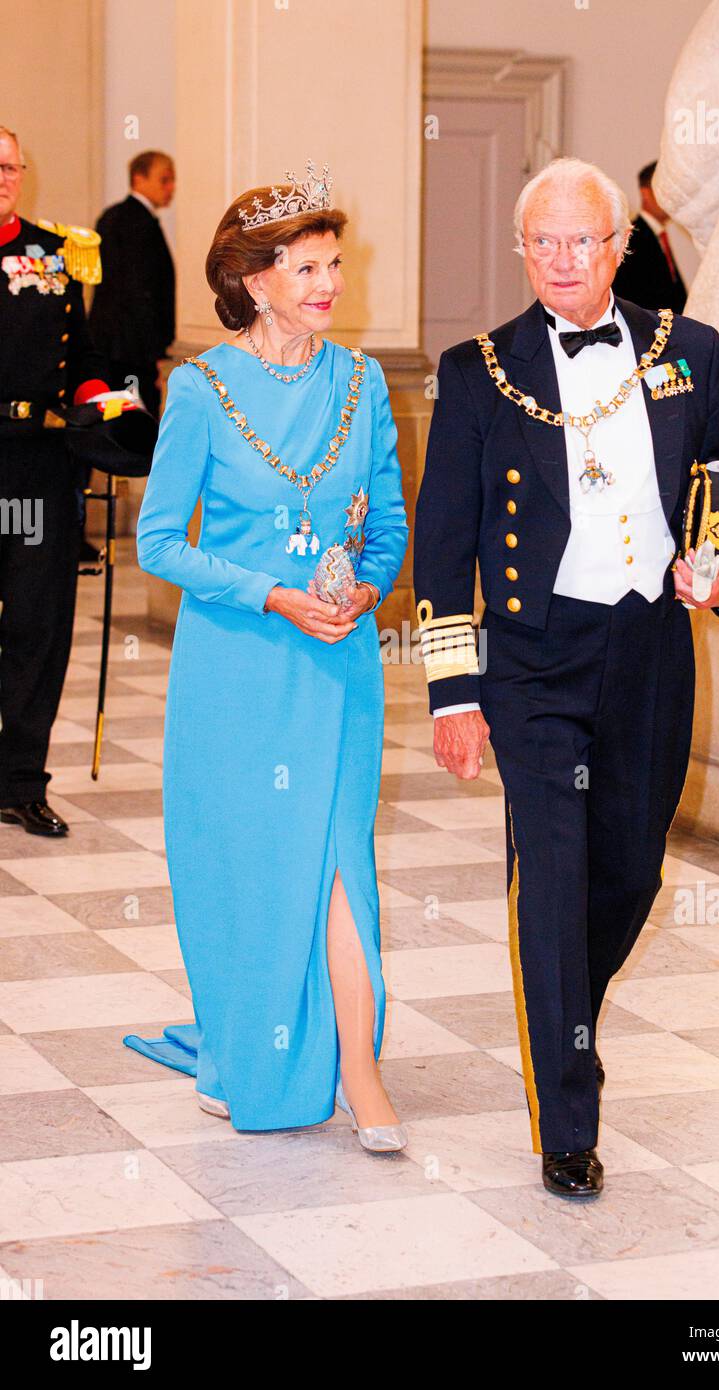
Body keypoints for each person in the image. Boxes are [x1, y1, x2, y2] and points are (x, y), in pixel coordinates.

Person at [413, 157, 719, 1198]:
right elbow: (444, 548)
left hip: (651, 649)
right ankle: (566, 1115)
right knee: (554, 878)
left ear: (620, 246)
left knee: (630, 871)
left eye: (584, 240)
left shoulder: (689, 351)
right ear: (522, 251)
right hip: (532, 659)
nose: (563, 259)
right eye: (543, 242)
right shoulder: (478, 368)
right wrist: (453, 691)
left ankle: (564, 1011)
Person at [124, 165, 409, 1151]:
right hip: (236, 667)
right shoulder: (200, 390)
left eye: (335, 264)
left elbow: (390, 527)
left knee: (336, 861)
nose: (330, 284)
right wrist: (267, 591)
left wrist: (366, 587)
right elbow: (157, 543)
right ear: (256, 281)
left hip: (336, 661)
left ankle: (360, 1072)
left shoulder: (364, 381)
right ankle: (252, 1046)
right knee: (247, 865)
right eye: (308, 267)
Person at [0, 124, 106, 837]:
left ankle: (19, 782)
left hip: (36, 470)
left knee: (38, 627)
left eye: (12, 165)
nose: (6, 175)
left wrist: (113, 414)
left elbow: (89, 363)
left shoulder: (55, 252)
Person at [88, 150, 176, 416]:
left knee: (114, 427)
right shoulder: (140, 223)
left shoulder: (112, 216)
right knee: (138, 433)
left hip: (107, 347)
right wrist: (155, 353)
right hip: (135, 352)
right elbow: (141, 292)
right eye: (164, 179)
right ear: (139, 178)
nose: (171, 187)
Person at [613, 160, 687, 313]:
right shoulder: (632, 237)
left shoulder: (658, 235)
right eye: (664, 191)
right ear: (646, 193)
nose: (671, 198)